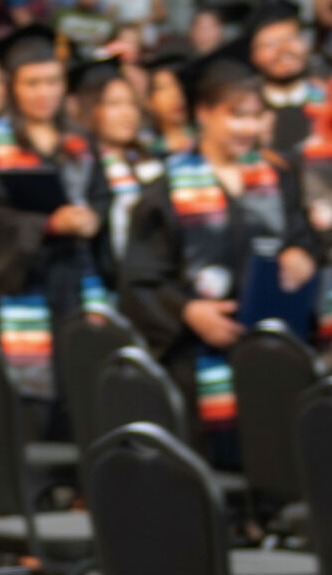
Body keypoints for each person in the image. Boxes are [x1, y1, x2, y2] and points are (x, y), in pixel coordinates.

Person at [121, 46, 318, 449]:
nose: (248, 128)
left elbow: (302, 237)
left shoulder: (277, 177)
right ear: (204, 114)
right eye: (236, 115)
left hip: (272, 354)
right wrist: (188, 310)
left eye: (255, 115)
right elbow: (139, 281)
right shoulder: (166, 190)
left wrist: (303, 255)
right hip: (199, 361)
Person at [0, 25, 111, 400]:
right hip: (18, 278)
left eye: (52, 82)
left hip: (74, 282)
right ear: (14, 87)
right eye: (32, 83)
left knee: (78, 387)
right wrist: (47, 224)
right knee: (25, 401)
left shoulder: (80, 140)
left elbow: (100, 196)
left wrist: (94, 217)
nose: (44, 93)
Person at [74, 60, 159, 265]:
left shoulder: (152, 161)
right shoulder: (82, 164)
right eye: (114, 104)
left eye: (132, 104)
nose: (127, 113)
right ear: (91, 108)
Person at [241, 0, 322, 154]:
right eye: (271, 44)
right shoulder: (244, 110)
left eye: (291, 38)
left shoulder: (330, 98)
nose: (284, 50)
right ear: (253, 55)